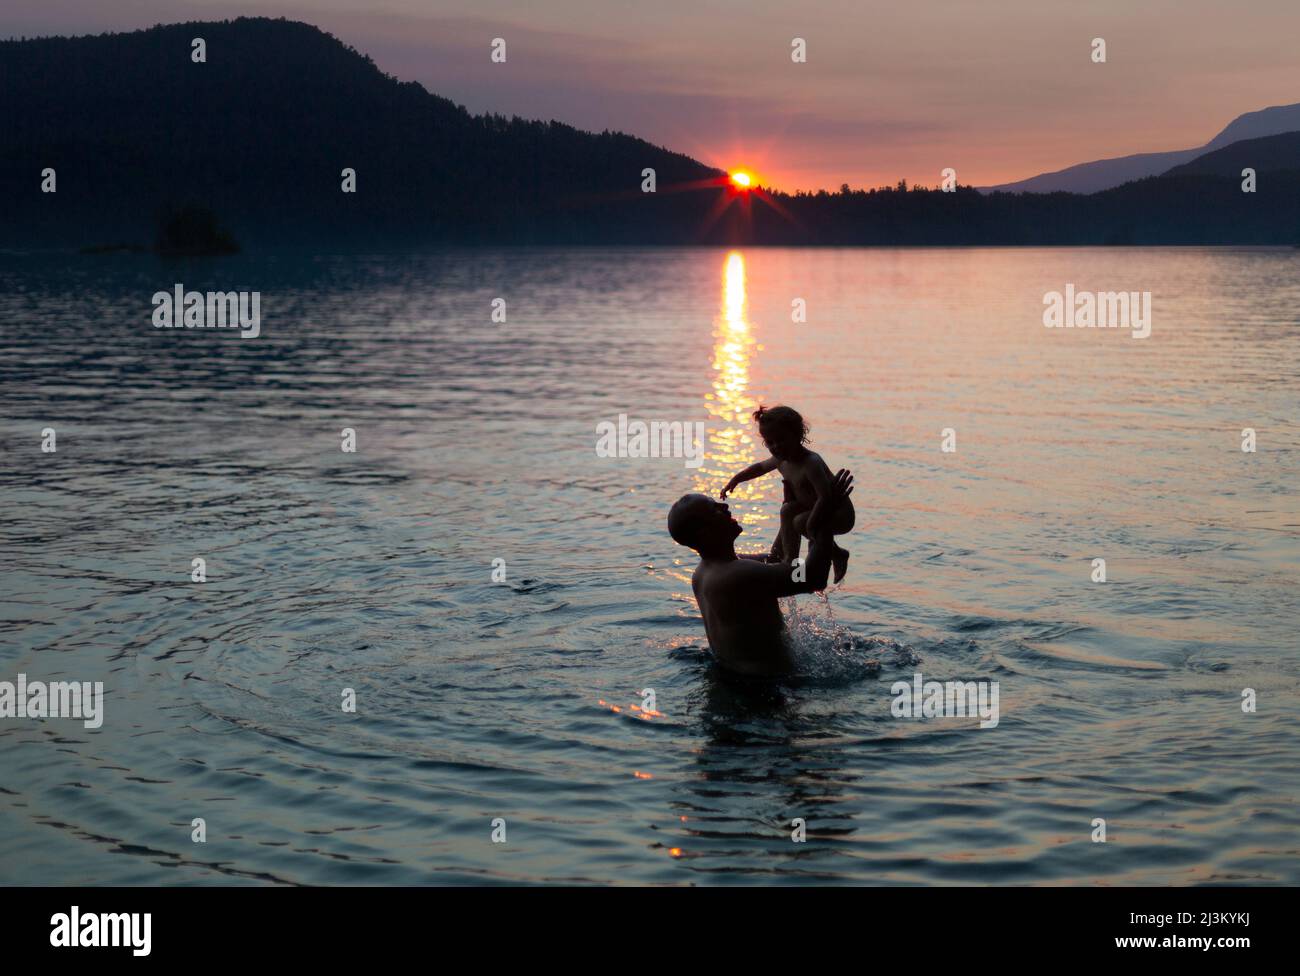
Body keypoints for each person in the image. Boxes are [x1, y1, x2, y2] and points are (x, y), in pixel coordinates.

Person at [667, 469, 854, 677]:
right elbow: (813, 578)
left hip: (735, 682)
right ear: (705, 532)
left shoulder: (707, 572)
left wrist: (789, 509)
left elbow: (776, 560)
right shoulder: (736, 574)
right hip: (762, 694)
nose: (725, 506)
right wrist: (823, 515)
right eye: (715, 509)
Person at [721, 405, 854, 582]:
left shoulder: (811, 462)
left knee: (799, 521)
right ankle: (788, 561)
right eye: (770, 442)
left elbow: (825, 497)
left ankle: (836, 554)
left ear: (798, 435)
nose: (776, 446)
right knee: (787, 510)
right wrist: (736, 479)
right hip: (811, 508)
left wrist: (812, 524)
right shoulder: (780, 460)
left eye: (781, 440)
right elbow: (759, 468)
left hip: (838, 513)